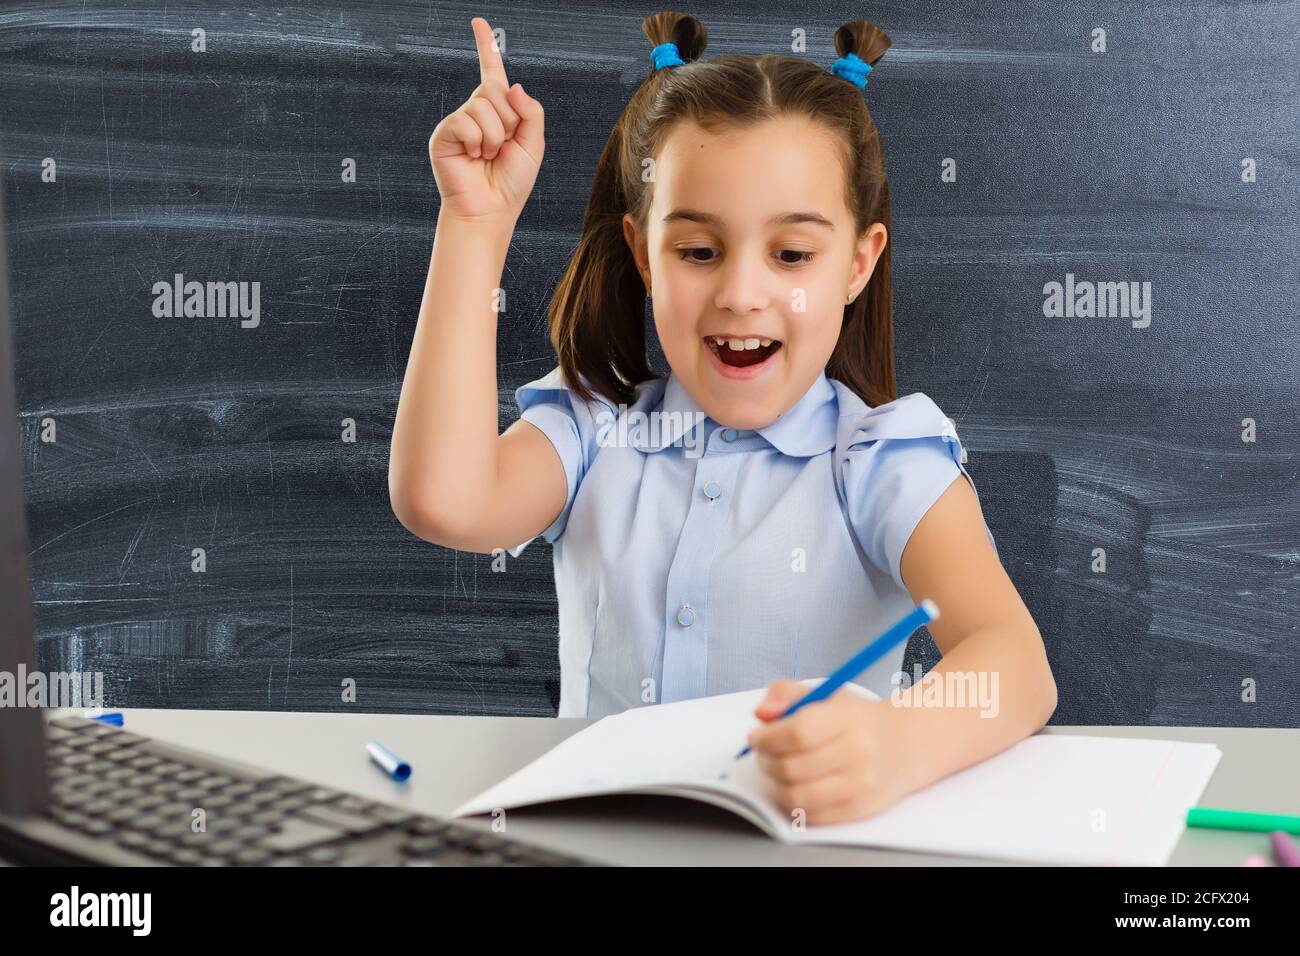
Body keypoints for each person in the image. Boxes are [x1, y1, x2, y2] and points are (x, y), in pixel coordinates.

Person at [390, 13, 1057, 825]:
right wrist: (474, 223)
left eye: (792, 255)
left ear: (858, 262)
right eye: (699, 252)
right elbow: (444, 500)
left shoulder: (881, 461)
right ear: (643, 255)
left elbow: (1016, 665)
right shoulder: (595, 430)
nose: (741, 293)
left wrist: (898, 745)